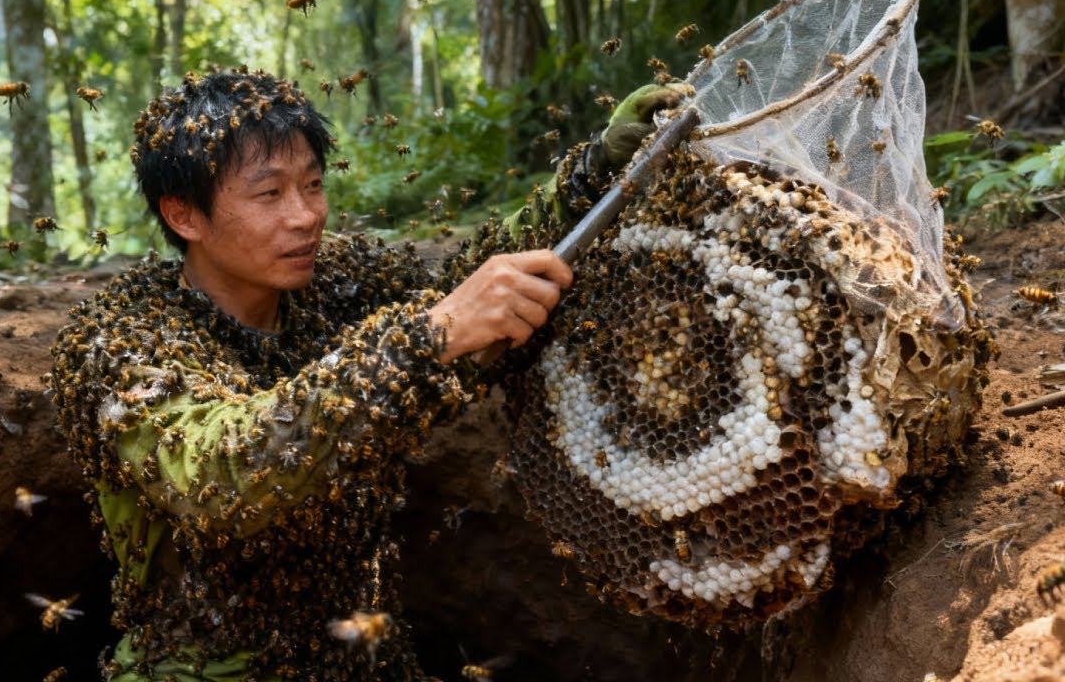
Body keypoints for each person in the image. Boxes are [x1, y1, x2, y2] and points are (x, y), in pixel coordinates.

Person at [49, 68, 683, 682]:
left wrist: (597, 168)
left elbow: (462, 284)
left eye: (314, 185)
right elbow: (226, 471)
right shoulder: (116, 344)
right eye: (269, 194)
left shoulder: (334, 281)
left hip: (365, 655)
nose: (305, 216)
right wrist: (427, 338)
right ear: (184, 215)